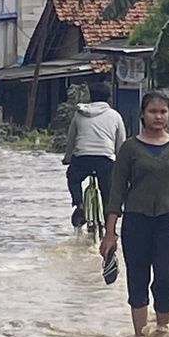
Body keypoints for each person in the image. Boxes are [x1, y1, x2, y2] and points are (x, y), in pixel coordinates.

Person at [99, 91, 169, 337]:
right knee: (137, 277)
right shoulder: (129, 148)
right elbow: (116, 193)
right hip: (136, 221)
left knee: (165, 277)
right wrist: (109, 233)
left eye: (163, 112)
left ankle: (162, 330)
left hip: (168, 221)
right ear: (142, 114)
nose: (158, 116)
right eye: (153, 111)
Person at [63, 83, 126, 228]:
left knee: (73, 178)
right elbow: (121, 144)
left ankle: (79, 204)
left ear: (90, 96)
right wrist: (120, 163)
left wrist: (67, 158)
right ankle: (109, 224)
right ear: (109, 99)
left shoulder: (79, 114)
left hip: (82, 159)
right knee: (108, 192)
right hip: (105, 160)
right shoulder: (115, 116)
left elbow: (71, 139)